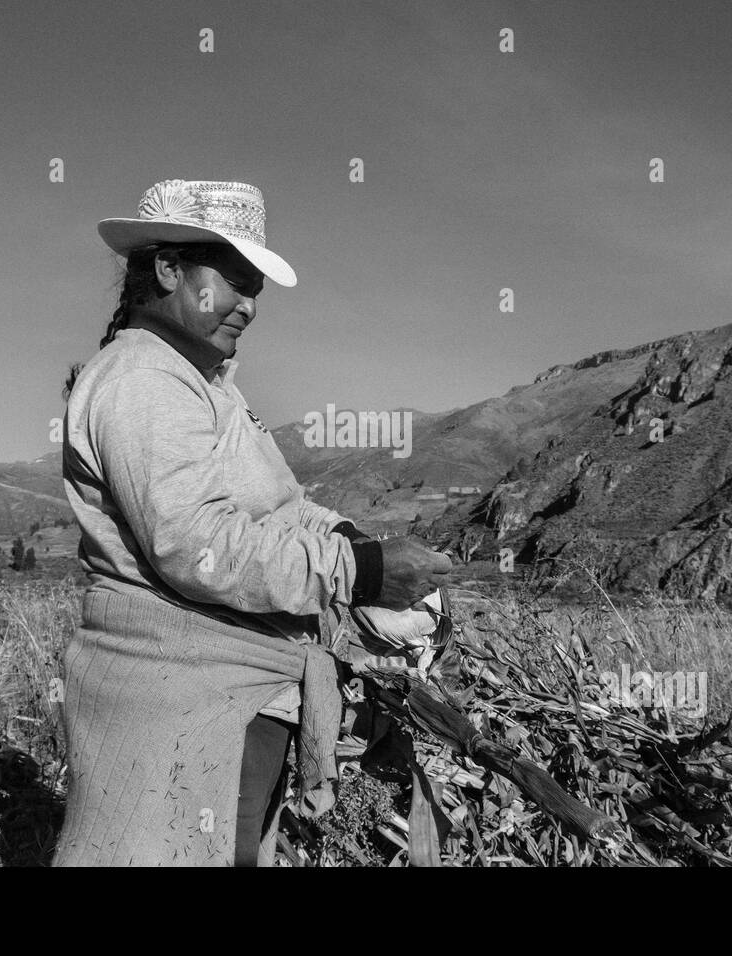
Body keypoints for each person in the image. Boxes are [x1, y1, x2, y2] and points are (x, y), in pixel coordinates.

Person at [54, 178, 451, 866]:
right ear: (168, 268)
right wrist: (358, 572)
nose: (249, 303)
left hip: (235, 692)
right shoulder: (142, 382)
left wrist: (355, 544)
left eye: (256, 285)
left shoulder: (208, 388)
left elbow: (279, 508)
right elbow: (196, 544)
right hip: (184, 695)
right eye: (233, 280)